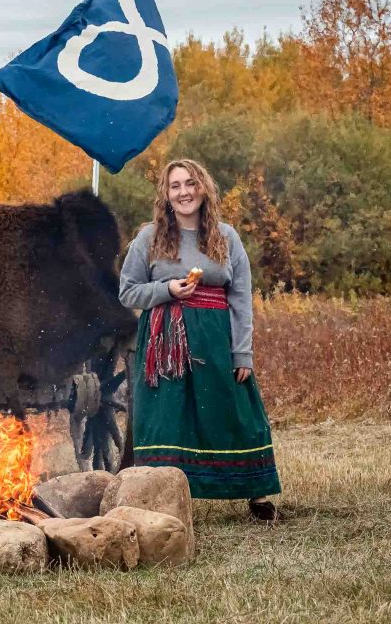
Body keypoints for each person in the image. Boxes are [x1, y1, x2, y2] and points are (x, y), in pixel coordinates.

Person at [118, 159, 281, 521]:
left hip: (214, 338)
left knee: (234, 410)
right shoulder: (149, 238)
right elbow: (128, 293)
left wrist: (243, 353)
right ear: (166, 194)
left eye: (190, 183)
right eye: (175, 186)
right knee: (166, 416)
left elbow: (240, 298)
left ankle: (254, 491)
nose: (184, 192)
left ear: (203, 188)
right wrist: (167, 289)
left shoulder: (226, 236)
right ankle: (160, 497)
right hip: (164, 341)